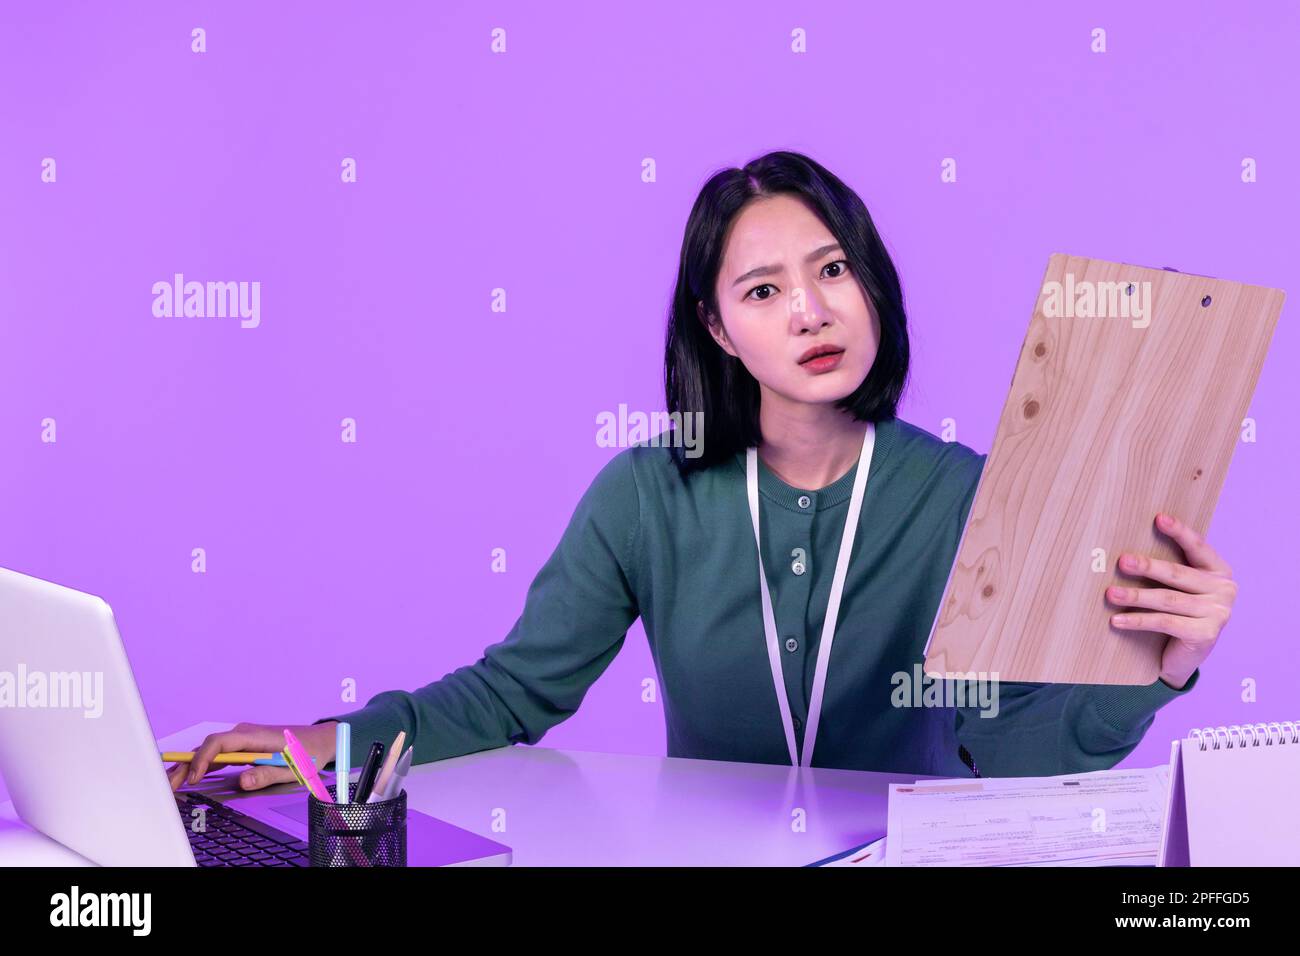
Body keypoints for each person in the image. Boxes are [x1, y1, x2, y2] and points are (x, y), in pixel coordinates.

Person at [168, 150, 1236, 793]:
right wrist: (338, 738)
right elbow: (512, 692)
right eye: (762, 290)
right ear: (717, 328)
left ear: (871, 285)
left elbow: (1012, 759)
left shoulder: (967, 493)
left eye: (830, 270)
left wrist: (1152, 668)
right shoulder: (647, 492)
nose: (810, 309)